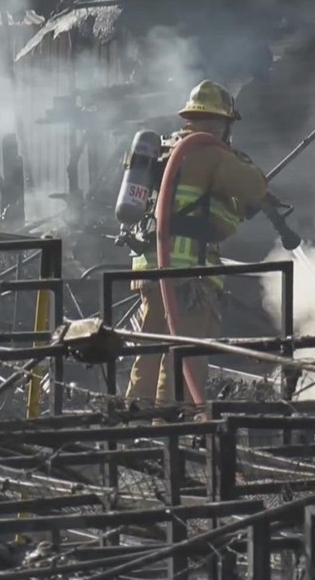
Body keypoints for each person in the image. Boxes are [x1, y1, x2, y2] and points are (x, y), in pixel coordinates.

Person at [125, 80, 269, 409]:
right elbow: (255, 186)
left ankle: (136, 418)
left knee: (149, 349)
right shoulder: (211, 153)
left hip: (150, 269)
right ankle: (174, 425)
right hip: (187, 275)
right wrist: (243, 163)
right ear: (221, 123)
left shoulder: (166, 148)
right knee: (185, 355)